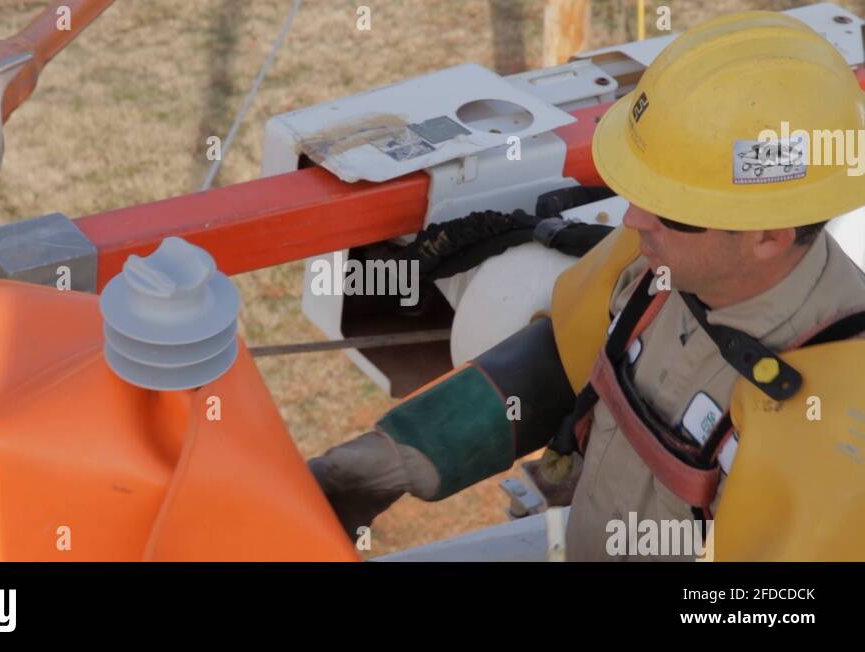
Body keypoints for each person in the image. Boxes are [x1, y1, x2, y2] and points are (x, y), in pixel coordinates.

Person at [308, 11, 865, 561]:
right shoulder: (663, 259)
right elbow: (569, 356)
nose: (632, 219)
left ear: (769, 235)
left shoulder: (837, 429)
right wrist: (410, 451)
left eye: (671, 208)